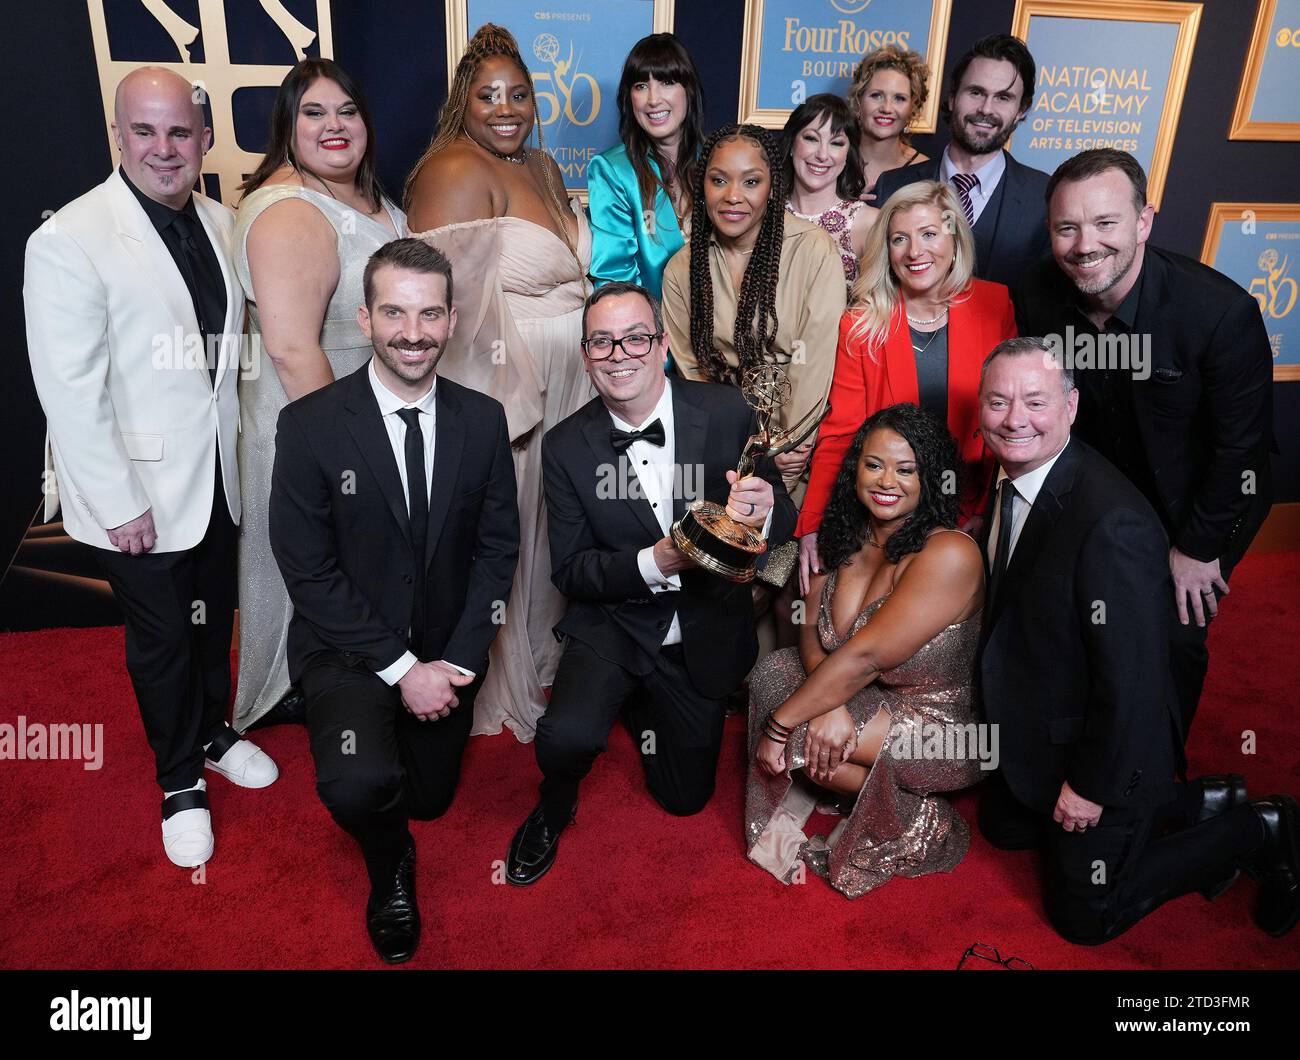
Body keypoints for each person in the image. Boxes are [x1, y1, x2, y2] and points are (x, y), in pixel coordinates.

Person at [23, 67, 277, 868]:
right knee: (161, 639)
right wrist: (118, 500)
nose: (164, 149)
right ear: (116, 136)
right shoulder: (68, 238)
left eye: (179, 133)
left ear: (204, 138)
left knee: (210, 623)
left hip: (215, 479)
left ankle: (210, 731)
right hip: (134, 492)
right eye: (145, 132)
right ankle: (179, 782)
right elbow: (69, 392)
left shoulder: (222, 219)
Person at [975, 337, 1297, 944]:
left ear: (1071, 406)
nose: (1015, 418)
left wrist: (1090, 787)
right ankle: (1202, 801)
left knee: (1086, 919)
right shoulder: (1017, 473)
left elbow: (1137, 681)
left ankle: (1259, 827)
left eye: (1035, 401)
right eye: (998, 401)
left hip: (1113, 741)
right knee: (1005, 827)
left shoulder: (1110, 522)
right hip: (1048, 713)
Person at [268, 239, 519, 962]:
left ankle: (405, 769)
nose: (413, 332)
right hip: (350, 645)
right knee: (357, 784)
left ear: (451, 320)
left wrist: (459, 659)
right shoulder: (311, 426)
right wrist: (404, 668)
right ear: (364, 318)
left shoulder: (481, 420)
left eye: (430, 314)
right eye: (395, 313)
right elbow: (308, 571)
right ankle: (391, 868)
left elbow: (498, 551)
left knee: (431, 798)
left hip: (446, 643)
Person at [502, 282, 797, 885]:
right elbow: (571, 570)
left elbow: (783, 513)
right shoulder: (564, 447)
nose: (621, 354)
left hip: (704, 626)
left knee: (685, 799)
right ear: (586, 357)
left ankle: (643, 709)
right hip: (615, 621)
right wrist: (657, 561)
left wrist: (765, 506)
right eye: (603, 343)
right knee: (565, 738)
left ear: (662, 344)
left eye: (636, 337)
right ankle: (553, 806)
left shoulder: (725, 410)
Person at [1014, 149, 1274, 740]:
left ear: (1144, 222)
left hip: (1199, 498)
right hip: (1101, 484)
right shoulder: (1036, 292)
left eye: (1105, 223)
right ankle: (1078, 744)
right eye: (1067, 228)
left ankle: (1158, 769)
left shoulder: (1218, 312)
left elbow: (1241, 452)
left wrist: (1197, 548)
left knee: (1167, 630)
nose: (1085, 245)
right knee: (1071, 611)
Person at [406, 23, 593, 740]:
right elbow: (436, 304)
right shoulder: (455, 168)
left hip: (573, 372)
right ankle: (493, 677)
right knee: (506, 533)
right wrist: (493, 412)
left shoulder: (542, 165)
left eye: (519, 93)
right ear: (464, 101)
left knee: (555, 529)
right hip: (509, 385)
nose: (506, 107)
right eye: (489, 95)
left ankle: (547, 658)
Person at [747, 404, 986, 898]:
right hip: (866, 697)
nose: (886, 482)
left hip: (936, 727)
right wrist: (829, 706)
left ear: (930, 479)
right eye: (874, 464)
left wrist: (780, 726)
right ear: (855, 467)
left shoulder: (951, 553)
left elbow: (866, 657)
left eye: (906, 470)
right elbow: (810, 629)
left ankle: (922, 817)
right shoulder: (846, 533)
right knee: (774, 671)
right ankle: (857, 785)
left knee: (792, 732)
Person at [232, 58, 405, 732]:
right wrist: (349, 457)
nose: (334, 126)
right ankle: (295, 689)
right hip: (314, 418)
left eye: (347, 111)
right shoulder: (290, 210)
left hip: (373, 407)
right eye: (314, 112)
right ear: (287, 126)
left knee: (357, 559)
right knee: (314, 556)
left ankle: (352, 675)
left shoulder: (370, 197)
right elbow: (293, 348)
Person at [798, 180, 1017, 593]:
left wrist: (986, 508)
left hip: (969, 508)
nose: (915, 252)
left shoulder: (994, 304)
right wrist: (812, 522)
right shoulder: (861, 325)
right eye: (900, 239)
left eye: (930, 234)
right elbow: (841, 431)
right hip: (885, 508)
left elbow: (1005, 425)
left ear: (954, 238)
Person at [663, 123, 845, 611]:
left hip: (800, 444)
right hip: (726, 450)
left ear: (773, 186)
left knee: (791, 589)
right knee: (723, 586)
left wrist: (787, 447)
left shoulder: (813, 251)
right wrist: (743, 454)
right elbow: (691, 375)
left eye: (751, 181)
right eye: (718, 180)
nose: (733, 196)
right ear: (701, 185)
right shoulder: (684, 269)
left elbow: (816, 355)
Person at [872, 34, 1050, 289]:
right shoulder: (891, 188)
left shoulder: (1044, 198)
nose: (986, 109)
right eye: (976, 92)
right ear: (953, 96)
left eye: (1003, 97)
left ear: (1022, 109)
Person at [588, 32, 705, 299]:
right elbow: (615, 279)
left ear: (688, 88)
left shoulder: (716, 162)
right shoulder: (613, 170)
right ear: (629, 97)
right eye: (641, 85)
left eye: (666, 82)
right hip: (649, 331)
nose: (653, 99)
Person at [781, 93, 877, 289]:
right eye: (811, 139)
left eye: (836, 143)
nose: (822, 155)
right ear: (792, 144)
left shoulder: (869, 223)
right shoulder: (765, 214)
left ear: (848, 154)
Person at [847, 44, 931, 200]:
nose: (886, 108)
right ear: (858, 99)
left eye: (899, 98)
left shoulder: (926, 173)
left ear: (913, 107)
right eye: (876, 95)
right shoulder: (832, 160)